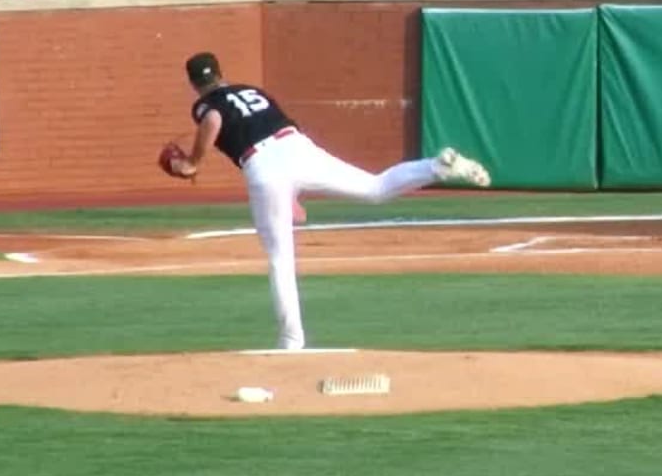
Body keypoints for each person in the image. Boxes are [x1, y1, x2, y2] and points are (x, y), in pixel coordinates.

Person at [164, 51, 491, 351]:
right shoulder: (253, 91)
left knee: (280, 258)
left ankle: (292, 341)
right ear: (221, 72)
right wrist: (293, 191)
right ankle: (436, 166)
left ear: (194, 83)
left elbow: (214, 120)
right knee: (375, 187)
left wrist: (193, 161)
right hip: (298, 147)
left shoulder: (204, 105)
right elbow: (272, 130)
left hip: (262, 164)